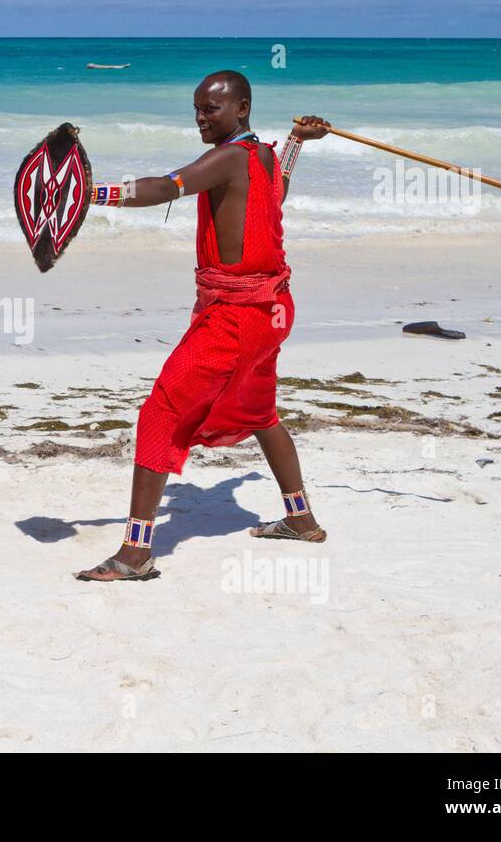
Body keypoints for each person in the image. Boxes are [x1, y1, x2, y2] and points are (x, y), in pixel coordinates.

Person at [76, 71, 331, 582]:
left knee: (160, 414)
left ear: (241, 108)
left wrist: (87, 194)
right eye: (196, 108)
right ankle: (300, 518)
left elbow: (164, 188)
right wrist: (299, 143)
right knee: (259, 411)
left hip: (236, 316)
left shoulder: (229, 157)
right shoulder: (259, 156)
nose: (200, 118)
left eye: (210, 109)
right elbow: (276, 192)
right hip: (273, 309)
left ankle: (136, 553)